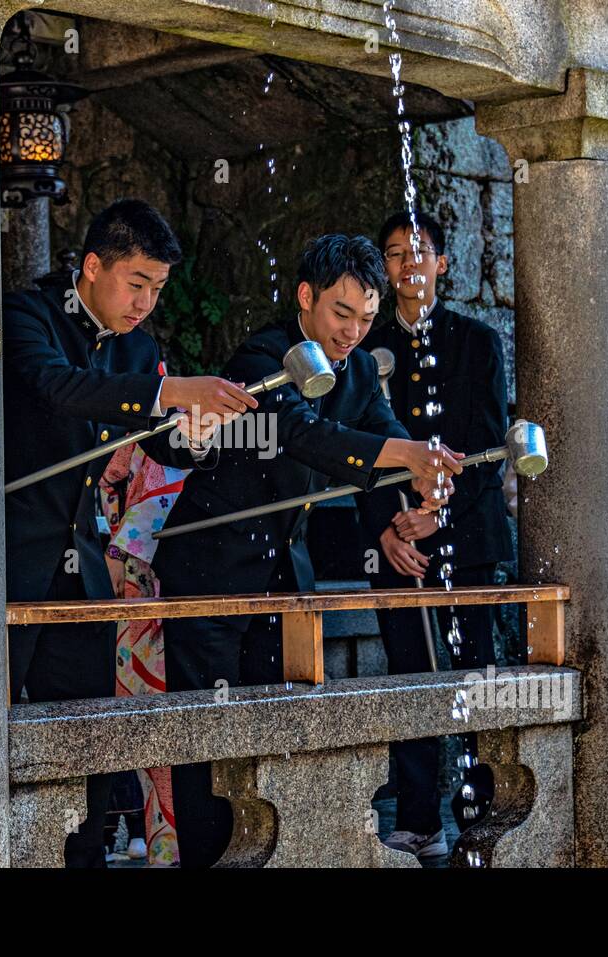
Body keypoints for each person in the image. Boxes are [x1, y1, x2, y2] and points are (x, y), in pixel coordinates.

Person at [153, 233, 457, 868]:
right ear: (305, 297)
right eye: (341, 314)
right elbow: (301, 434)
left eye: (367, 318)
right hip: (209, 564)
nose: (352, 332)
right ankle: (209, 859)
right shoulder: (264, 353)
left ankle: (271, 854)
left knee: (276, 716)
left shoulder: (359, 368)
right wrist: (406, 456)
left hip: (282, 570)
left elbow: (385, 428)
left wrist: (423, 482)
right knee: (207, 730)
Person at [1, 198, 258, 867]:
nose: (145, 303)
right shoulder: (29, 314)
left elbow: (162, 443)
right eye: (135, 283)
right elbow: (58, 388)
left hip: (86, 566)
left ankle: (84, 851)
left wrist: (198, 436)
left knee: (89, 730)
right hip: (7, 559)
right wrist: (170, 394)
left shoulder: (142, 347)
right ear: (92, 266)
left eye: (157, 289)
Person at [356, 210, 512, 859]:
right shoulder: (366, 347)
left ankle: (481, 805)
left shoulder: (477, 340)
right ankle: (419, 815)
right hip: (396, 540)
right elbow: (354, 446)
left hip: (466, 535)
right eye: (393, 253)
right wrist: (387, 527)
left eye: (418, 251)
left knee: (477, 671)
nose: (406, 263)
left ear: (443, 262)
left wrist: (440, 514)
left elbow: (488, 442)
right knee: (410, 674)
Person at [98, 442, 189, 865]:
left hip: (142, 577)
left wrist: (117, 543)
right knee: (146, 718)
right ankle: (156, 840)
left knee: (151, 717)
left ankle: (160, 841)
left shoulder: (159, 424)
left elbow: (109, 480)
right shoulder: (176, 419)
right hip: (144, 577)